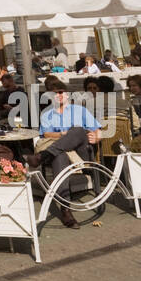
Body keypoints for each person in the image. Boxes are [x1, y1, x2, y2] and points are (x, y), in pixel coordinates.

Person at [28, 77, 99, 229]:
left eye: (61, 92)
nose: (58, 96)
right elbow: (46, 134)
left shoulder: (80, 110)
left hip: (81, 155)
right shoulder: (47, 114)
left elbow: (97, 130)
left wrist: (97, 137)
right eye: (54, 94)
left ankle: (43, 156)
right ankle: (65, 209)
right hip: (60, 154)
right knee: (60, 155)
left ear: (67, 94)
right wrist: (64, 135)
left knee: (78, 130)